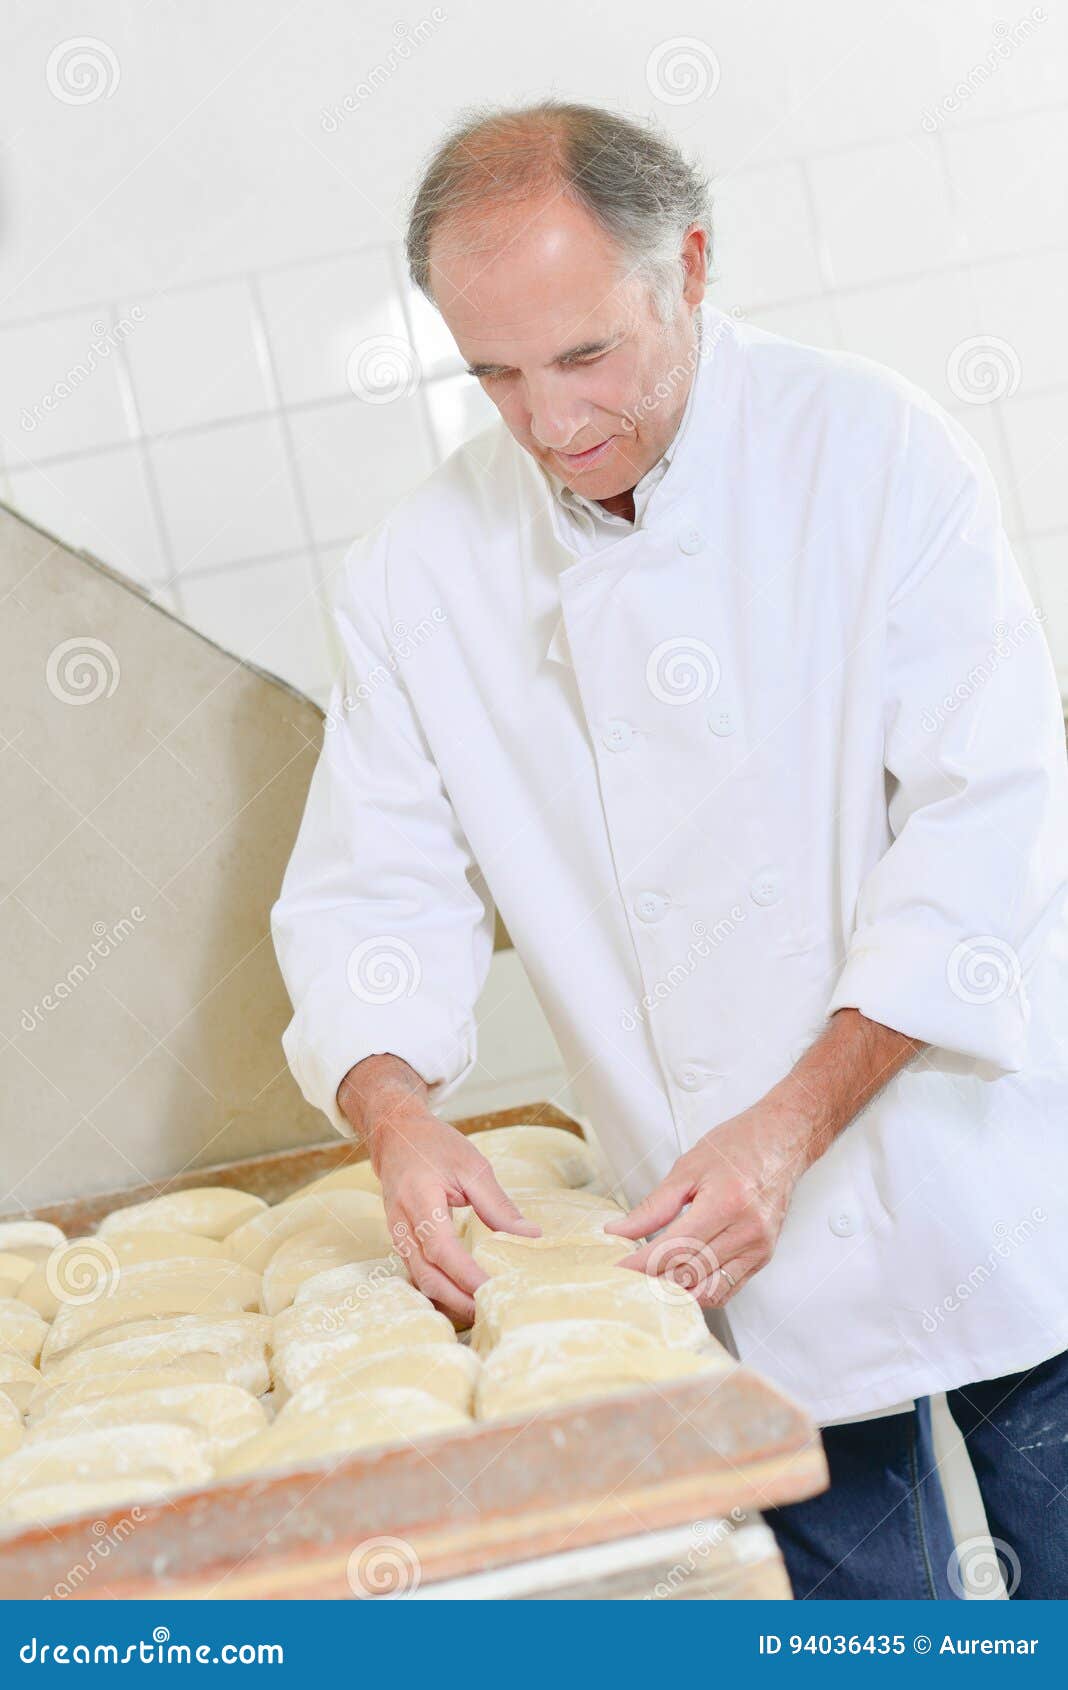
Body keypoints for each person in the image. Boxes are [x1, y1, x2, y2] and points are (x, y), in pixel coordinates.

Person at [271, 100, 1068, 1598]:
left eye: (586, 357)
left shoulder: (877, 452)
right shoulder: (419, 575)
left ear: (688, 266)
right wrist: (396, 1115)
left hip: (989, 1183)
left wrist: (792, 1124)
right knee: (858, 1633)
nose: (552, 423)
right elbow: (374, 886)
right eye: (494, 376)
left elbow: (991, 821)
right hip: (725, 1262)